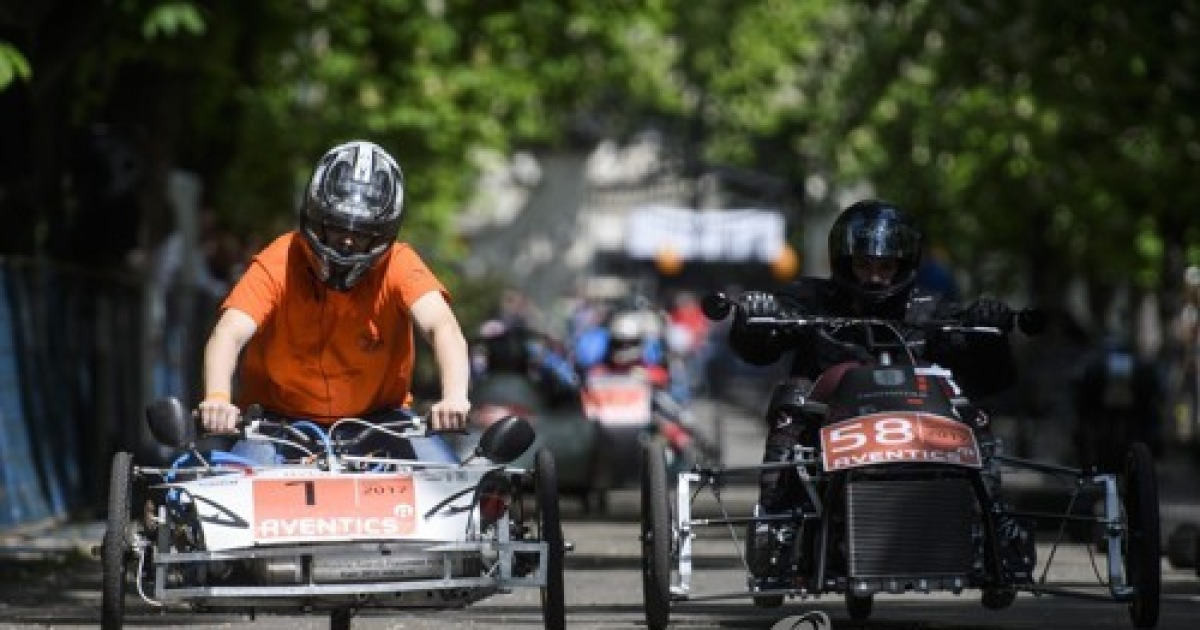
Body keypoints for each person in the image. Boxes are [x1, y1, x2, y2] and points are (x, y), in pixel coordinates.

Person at [725, 199, 1033, 583]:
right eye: (865, 265)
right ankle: (776, 519)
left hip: (919, 420)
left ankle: (995, 520)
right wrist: (755, 317)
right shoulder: (809, 300)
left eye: (885, 266)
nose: (875, 278)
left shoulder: (929, 308)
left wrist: (990, 331)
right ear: (844, 262)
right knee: (793, 397)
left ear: (904, 266)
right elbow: (758, 350)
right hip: (827, 418)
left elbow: (995, 378)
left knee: (970, 407)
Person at [196, 140, 471, 462]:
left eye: (363, 232)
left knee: (451, 487)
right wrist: (217, 398)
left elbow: (443, 327)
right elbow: (228, 332)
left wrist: (454, 398)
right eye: (336, 228)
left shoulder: (401, 264)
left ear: (384, 233)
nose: (348, 242)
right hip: (276, 425)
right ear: (314, 218)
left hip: (383, 423)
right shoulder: (279, 259)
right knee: (227, 490)